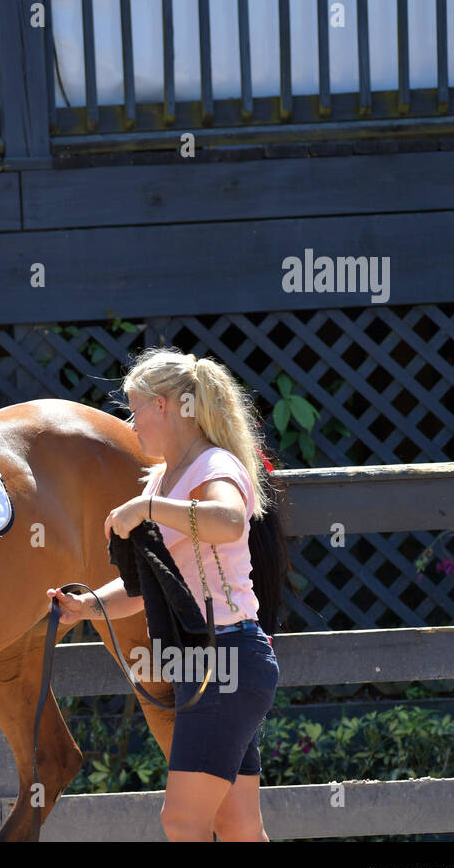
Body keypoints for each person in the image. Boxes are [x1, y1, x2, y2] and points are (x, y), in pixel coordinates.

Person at [46, 347, 280, 841]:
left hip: (227, 659)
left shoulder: (213, 465)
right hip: (209, 662)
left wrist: (150, 508)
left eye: (134, 409)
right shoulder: (163, 476)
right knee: (237, 827)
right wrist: (87, 607)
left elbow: (230, 520)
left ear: (165, 408)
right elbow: (150, 586)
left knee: (181, 821)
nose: (130, 424)